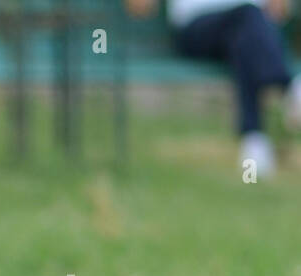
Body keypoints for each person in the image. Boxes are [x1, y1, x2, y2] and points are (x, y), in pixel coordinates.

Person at [127, 0, 301, 175]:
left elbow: (279, 10)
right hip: (195, 29)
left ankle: (254, 139)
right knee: (249, 16)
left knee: (244, 39)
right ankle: (288, 89)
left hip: (248, 31)